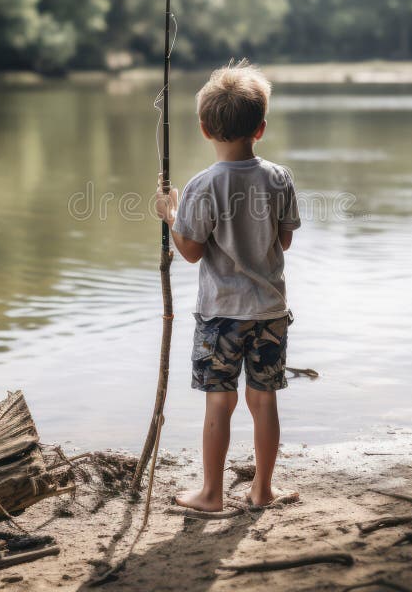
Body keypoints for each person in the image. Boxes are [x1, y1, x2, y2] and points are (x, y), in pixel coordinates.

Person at [155, 59, 300, 512]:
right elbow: (285, 239)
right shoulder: (279, 178)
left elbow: (192, 249)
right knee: (264, 402)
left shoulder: (202, 185)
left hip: (221, 315)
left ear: (203, 128)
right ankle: (262, 491)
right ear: (260, 128)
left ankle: (212, 493)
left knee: (219, 405)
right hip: (270, 313)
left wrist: (170, 214)